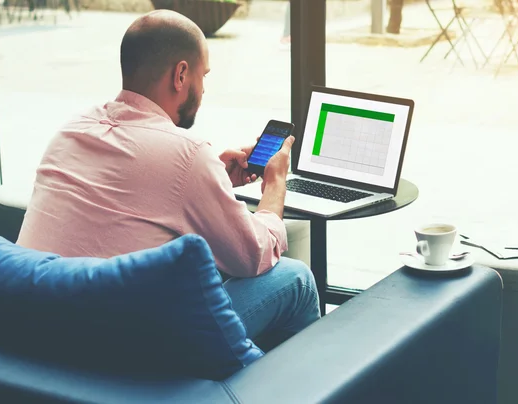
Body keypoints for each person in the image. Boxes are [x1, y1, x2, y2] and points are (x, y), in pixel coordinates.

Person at [17, 10, 320, 351]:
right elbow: (252, 256)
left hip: (38, 330)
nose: (204, 89)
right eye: (203, 76)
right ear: (180, 75)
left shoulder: (71, 131)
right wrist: (274, 186)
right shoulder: (187, 155)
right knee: (296, 280)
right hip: (121, 348)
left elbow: (128, 198)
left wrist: (212, 179)